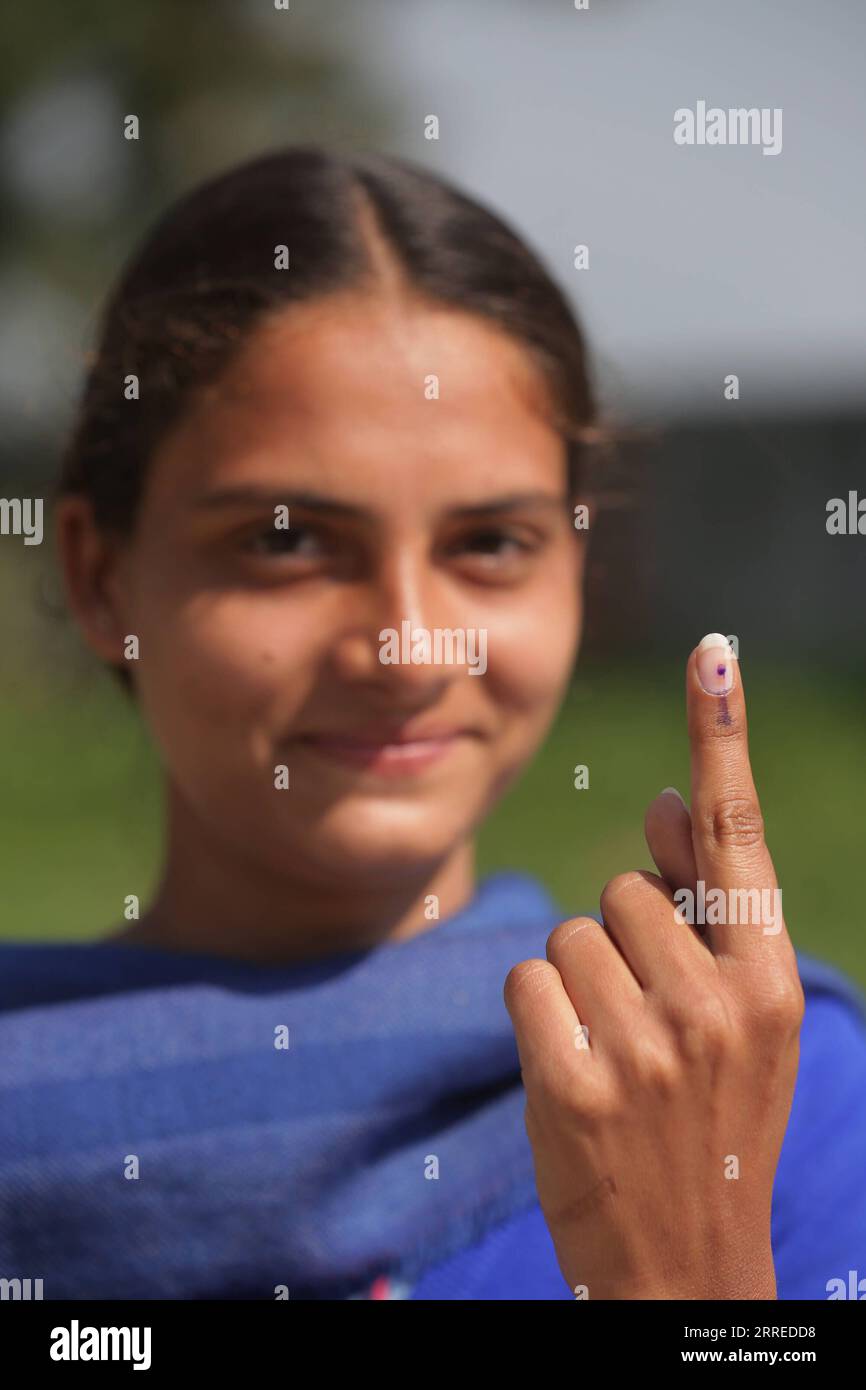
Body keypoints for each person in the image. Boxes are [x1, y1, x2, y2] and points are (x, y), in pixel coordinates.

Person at [1, 146, 864, 1301]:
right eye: (285, 538)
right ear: (104, 580)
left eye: (489, 544)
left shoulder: (758, 1095)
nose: (408, 643)